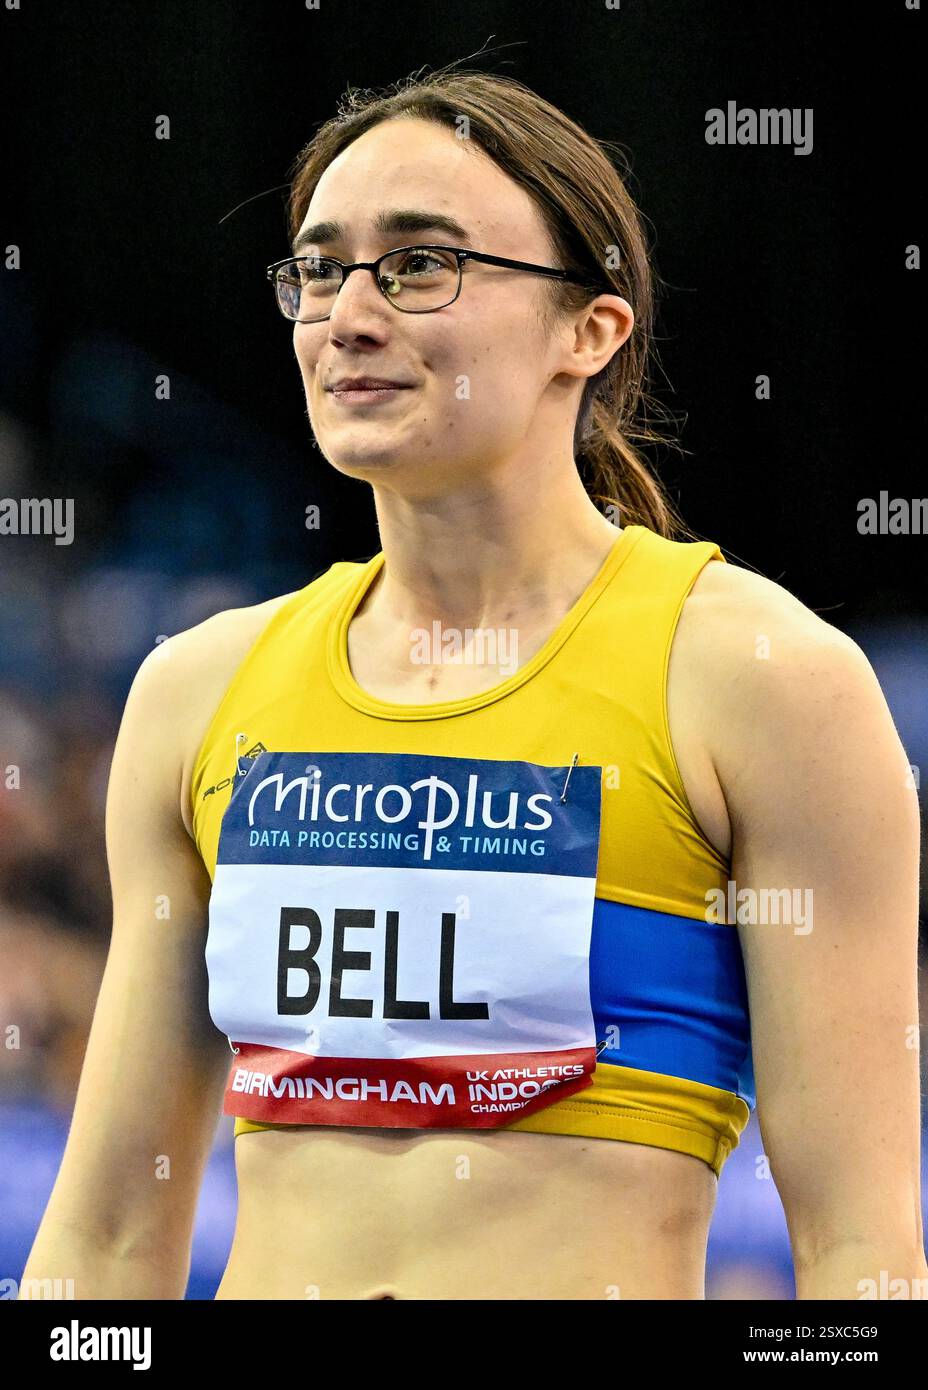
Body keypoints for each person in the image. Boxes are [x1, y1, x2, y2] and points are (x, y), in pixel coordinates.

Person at [22, 65, 925, 1301]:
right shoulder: (196, 691)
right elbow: (109, 1241)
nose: (348, 313)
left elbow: (859, 1253)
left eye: (418, 264)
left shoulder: (761, 682)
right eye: (319, 268)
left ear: (588, 330)